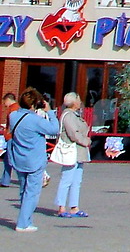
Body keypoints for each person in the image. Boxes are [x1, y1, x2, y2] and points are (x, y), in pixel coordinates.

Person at [8, 88, 59, 232]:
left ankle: (27, 220)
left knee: (23, 191)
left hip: (19, 158)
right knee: (32, 193)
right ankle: (23, 223)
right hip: (34, 160)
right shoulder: (36, 120)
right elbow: (54, 129)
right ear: (34, 104)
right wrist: (49, 112)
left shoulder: (13, 116)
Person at [52, 92, 92, 219]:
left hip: (79, 153)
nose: (80, 102)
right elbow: (73, 134)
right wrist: (86, 141)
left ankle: (74, 207)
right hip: (71, 151)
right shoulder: (68, 116)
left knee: (76, 181)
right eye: (78, 99)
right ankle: (61, 207)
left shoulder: (75, 115)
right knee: (67, 179)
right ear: (74, 102)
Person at [0, 92, 17, 188]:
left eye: (5, 102)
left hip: (11, 138)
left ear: (8, 100)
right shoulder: (15, 108)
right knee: (7, 160)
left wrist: (7, 134)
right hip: (11, 137)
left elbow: (12, 124)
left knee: (11, 160)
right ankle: (5, 180)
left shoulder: (13, 109)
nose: (4, 104)